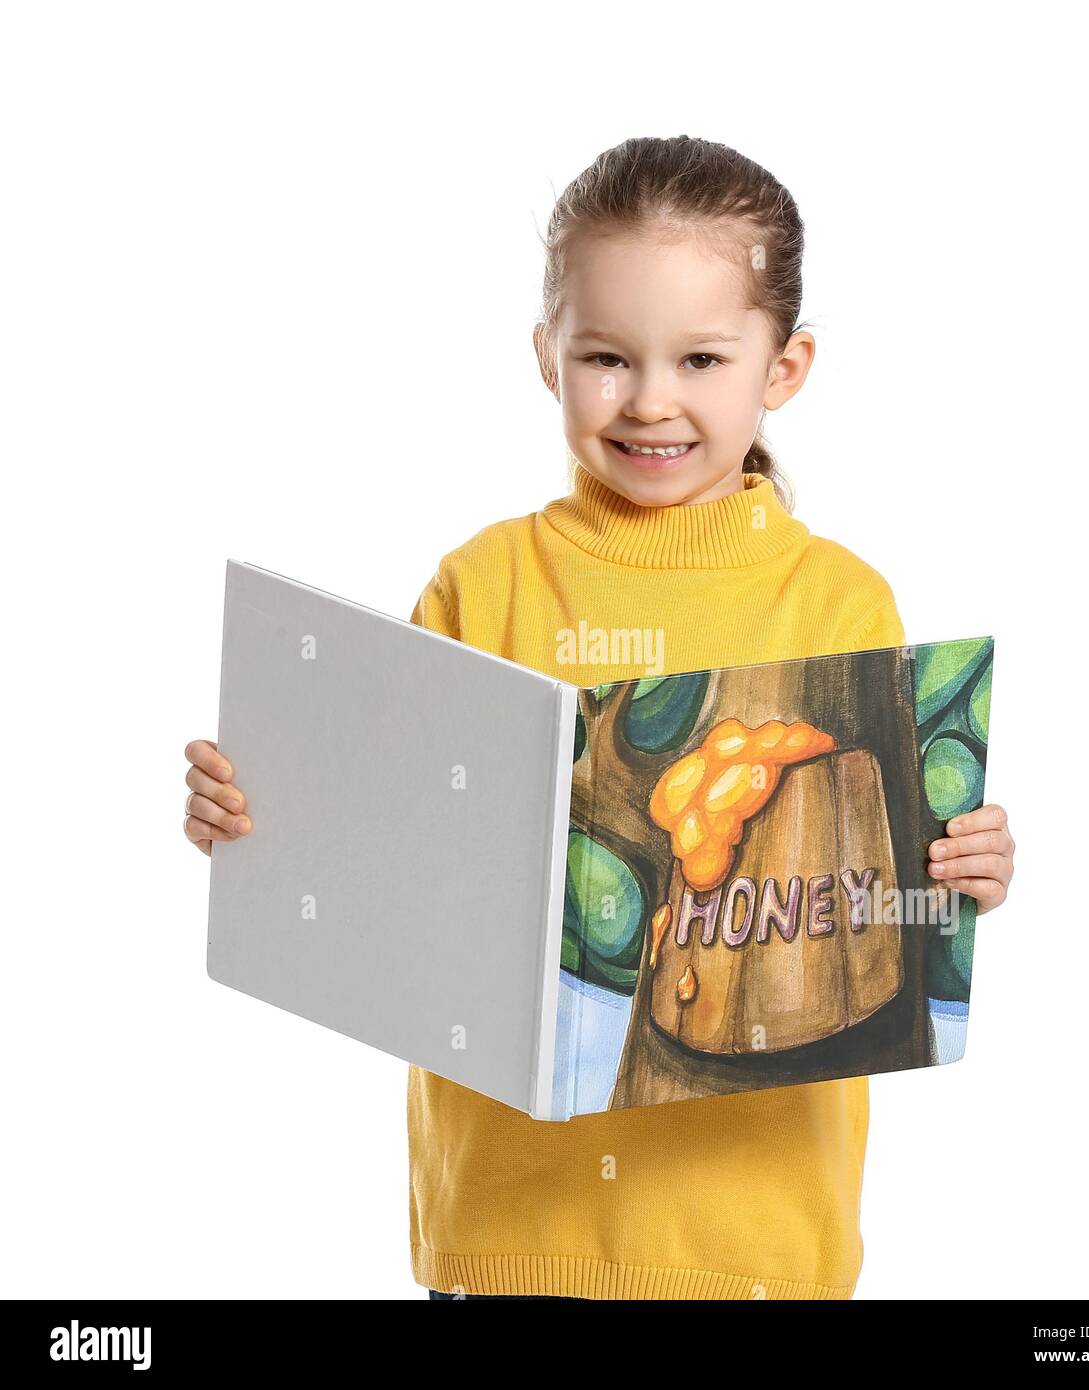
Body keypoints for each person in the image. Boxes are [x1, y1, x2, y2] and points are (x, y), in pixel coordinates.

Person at [184, 135, 1016, 1300]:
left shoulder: (841, 600)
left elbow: (881, 885)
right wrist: (262, 817)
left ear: (785, 367)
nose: (650, 401)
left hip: (756, 1242)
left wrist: (962, 864)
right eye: (607, 357)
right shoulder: (485, 582)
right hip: (507, 1226)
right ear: (546, 355)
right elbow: (382, 840)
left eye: (703, 358)